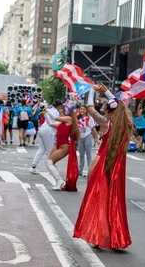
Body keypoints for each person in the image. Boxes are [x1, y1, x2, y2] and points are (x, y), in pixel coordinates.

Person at [73, 85, 133, 249]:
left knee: (98, 199)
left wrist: (92, 91)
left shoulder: (106, 124)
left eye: (106, 111)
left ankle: (97, 235)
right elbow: (120, 105)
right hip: (117, 167)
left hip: (102, 164)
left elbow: (90, 108)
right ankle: (117, 238)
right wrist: (106, 91)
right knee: (115, 201)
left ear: (108, 112)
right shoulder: (127, 124)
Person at [44, 100, 80, 191]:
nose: (60, 110)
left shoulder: (68, 119)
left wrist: (47, 110)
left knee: (49, 162)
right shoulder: (63, 121)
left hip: (64, 146)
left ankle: (59, 181)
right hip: (57, 144)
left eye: (62, 109)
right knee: (50, 162)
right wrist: (44, 114)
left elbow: (55, 118)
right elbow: (51, 123)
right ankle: (58, 181)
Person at [30, 101, 60, 174]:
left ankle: (33, 166)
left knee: (41, 149)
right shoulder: (55, 112)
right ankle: (51, 167)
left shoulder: (50, 109)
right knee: (49, 150)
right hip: (49, 131)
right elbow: (54, 121)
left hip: (42, 129)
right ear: (59, 106)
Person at [77, 105, 98, 177]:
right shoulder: (77, 118)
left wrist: (96, 138)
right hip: (80, 138)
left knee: (88, 155)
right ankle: (80, 170)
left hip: (88, 136)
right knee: (81, 155)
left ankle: (90, 170)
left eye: (84, 109)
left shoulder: (89, 118)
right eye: (81, 109)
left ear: (86, 111)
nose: (82, 110)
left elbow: (93, 129)